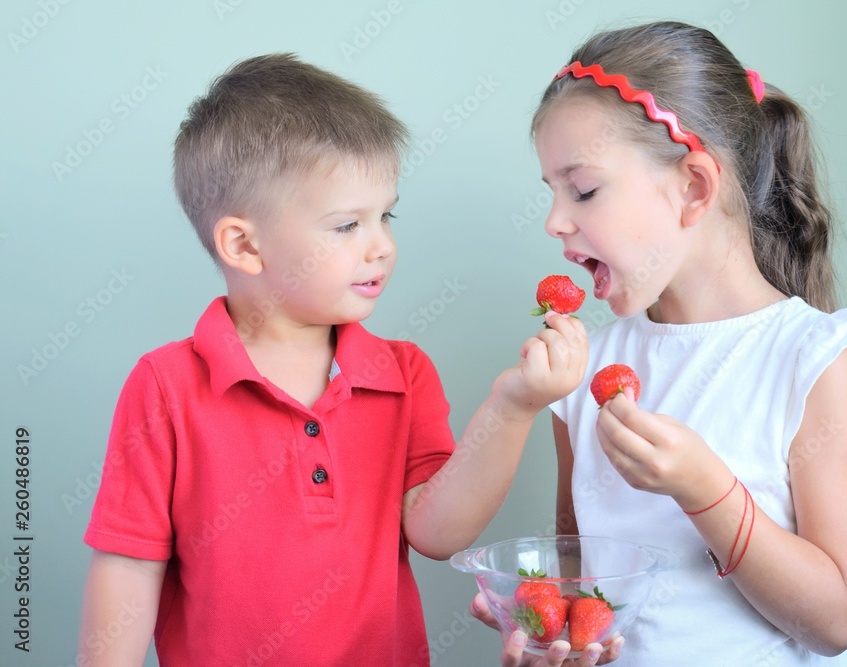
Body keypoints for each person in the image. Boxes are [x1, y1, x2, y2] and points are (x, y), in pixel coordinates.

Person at [77, 53, 588, 666]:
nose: (382, 246)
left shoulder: (403, 375)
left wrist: (513, 407)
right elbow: (129, 567)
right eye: (347, 225)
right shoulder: (166, 386)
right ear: (244, 244)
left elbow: (436, 532)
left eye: (385, 216)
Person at [472, 21, 847, 666]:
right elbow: (586, 582)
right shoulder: (588, 368)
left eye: (583, 190)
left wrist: (707, 491)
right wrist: (553, 633)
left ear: (694, 186)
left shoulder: (814, 357)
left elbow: (835, 619)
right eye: (552, 194)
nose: (555, 221)